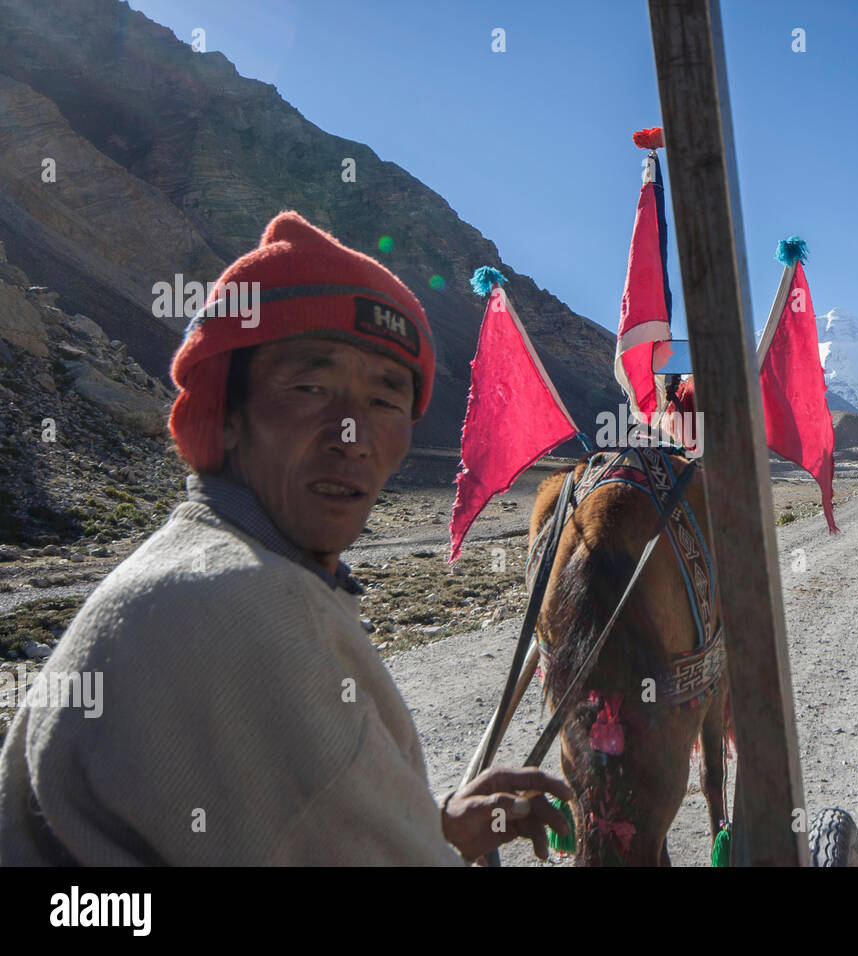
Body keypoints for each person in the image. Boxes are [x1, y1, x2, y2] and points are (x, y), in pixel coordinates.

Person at [0, 211, 571, 865]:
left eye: (386, 400)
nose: (352, 436)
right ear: (230, 415)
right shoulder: (244, 604)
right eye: (310, 387)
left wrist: (433, 831)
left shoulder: (199, 568)